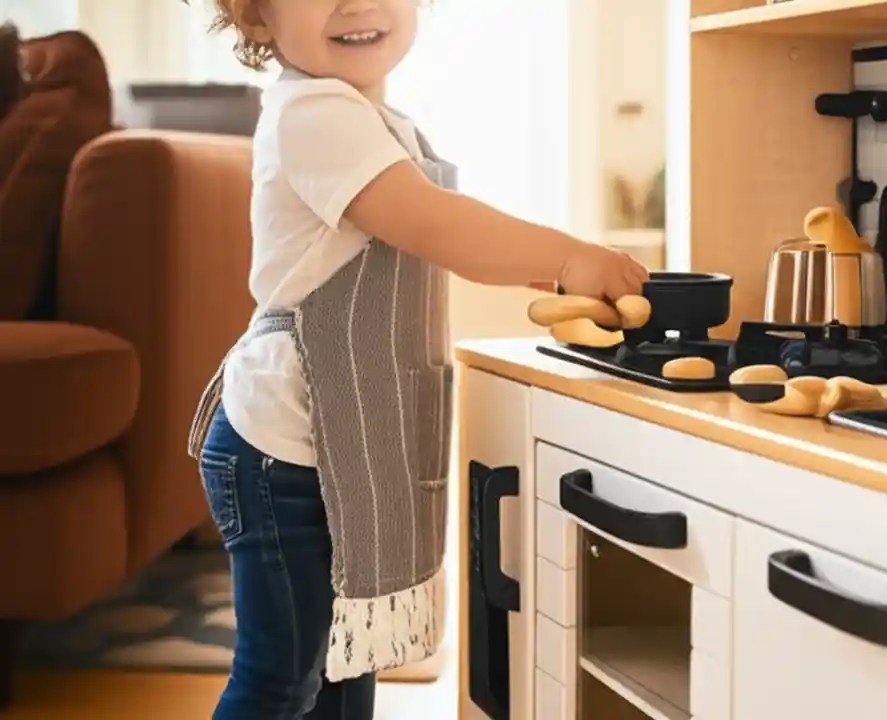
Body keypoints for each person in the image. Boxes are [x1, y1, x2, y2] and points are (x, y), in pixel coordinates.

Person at [184, 1, 649, 718]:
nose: (357, 3)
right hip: (285, 454)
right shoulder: (314, 115)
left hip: (332, 444)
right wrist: (566, 256)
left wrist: (554, 272)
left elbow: (430, 233)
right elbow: (434, 224)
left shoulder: (373, 120)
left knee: (345, 664)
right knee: (284, 677)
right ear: (256, 20)